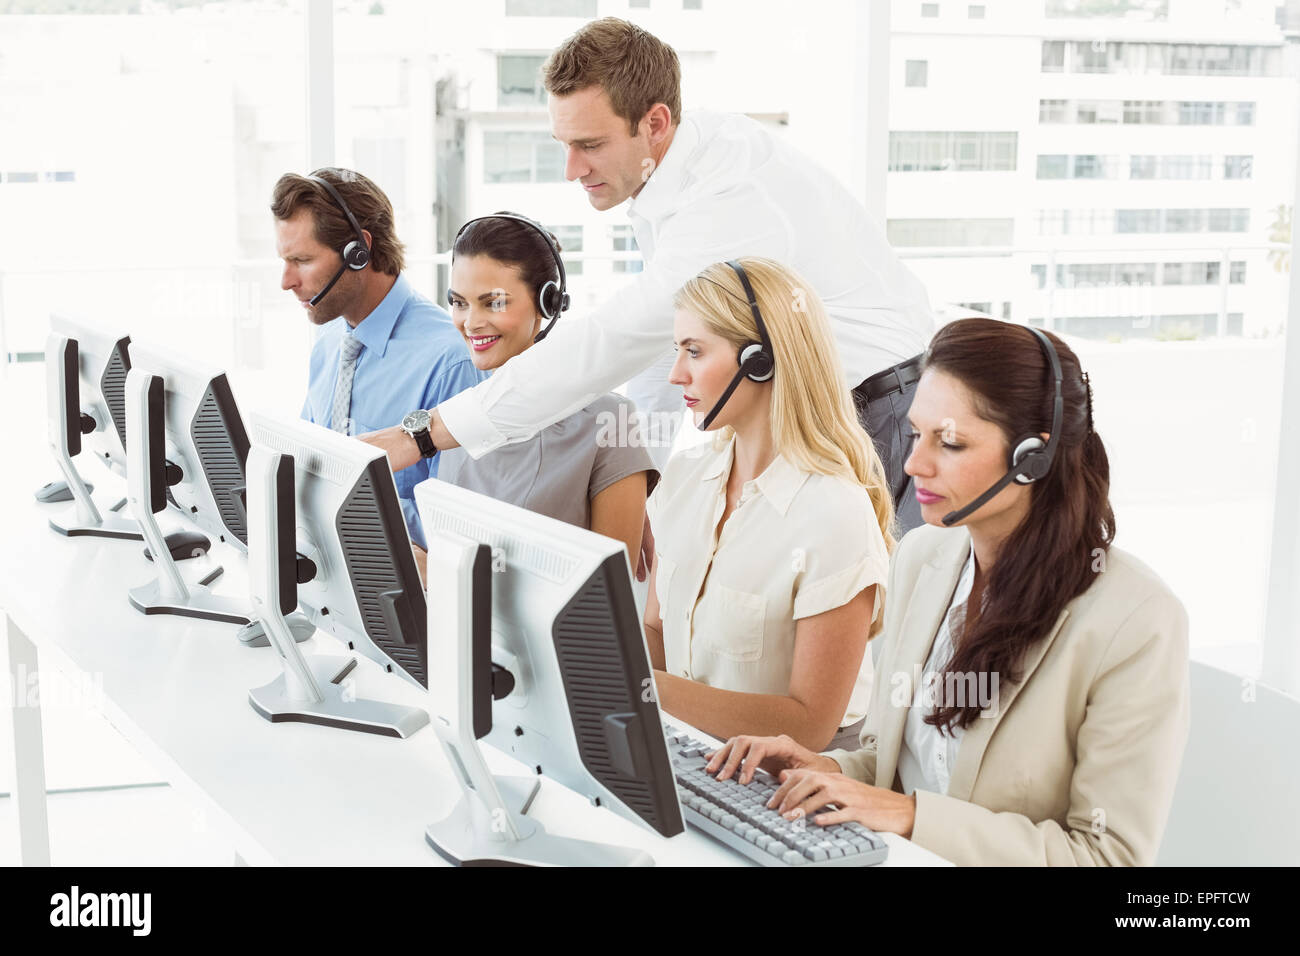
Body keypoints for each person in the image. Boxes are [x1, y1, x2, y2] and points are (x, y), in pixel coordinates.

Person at [359, 17, 935, 563]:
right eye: (564, 142)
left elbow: (612, 341)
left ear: (654, 123)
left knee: (878, 627)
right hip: (816, 407)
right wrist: (646, 491)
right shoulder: (667, 171)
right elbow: (665, 347)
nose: (571, 168)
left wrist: (426, 434)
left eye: (589, 144)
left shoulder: (726, 200)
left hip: (877, 409)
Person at [704, 318, 1190, 866]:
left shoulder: (1137, 621)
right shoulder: (921, 558)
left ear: (1032, 458)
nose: (914, 465)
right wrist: (824, 769)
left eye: (951, 442)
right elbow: (893, 762)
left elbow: (1106, 856)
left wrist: (912, 816)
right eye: (915, 434)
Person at [644, 258, 895, 754]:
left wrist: (642, 688)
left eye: (694, 351)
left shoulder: (832, 513)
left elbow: (809, 725)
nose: (676, 374)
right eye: (678, 351)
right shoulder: (684, 478)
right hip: (686, 753)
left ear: (761, 361)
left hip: (791, 780)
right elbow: (655, 628)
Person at [427, 212, 655, 574]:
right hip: (456, 624)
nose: (470, 322)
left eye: (494, 303)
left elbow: (612, 598)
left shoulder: (611, 421)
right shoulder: (457, 410)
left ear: (547, 305)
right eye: (459, 302)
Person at [271, 167, 484, 549]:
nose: (286, 281)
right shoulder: (329, 339)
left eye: (301, 260)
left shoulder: (450, 361)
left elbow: (459, 526)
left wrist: (341, 508)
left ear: (359, 252)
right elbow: (309, 463)